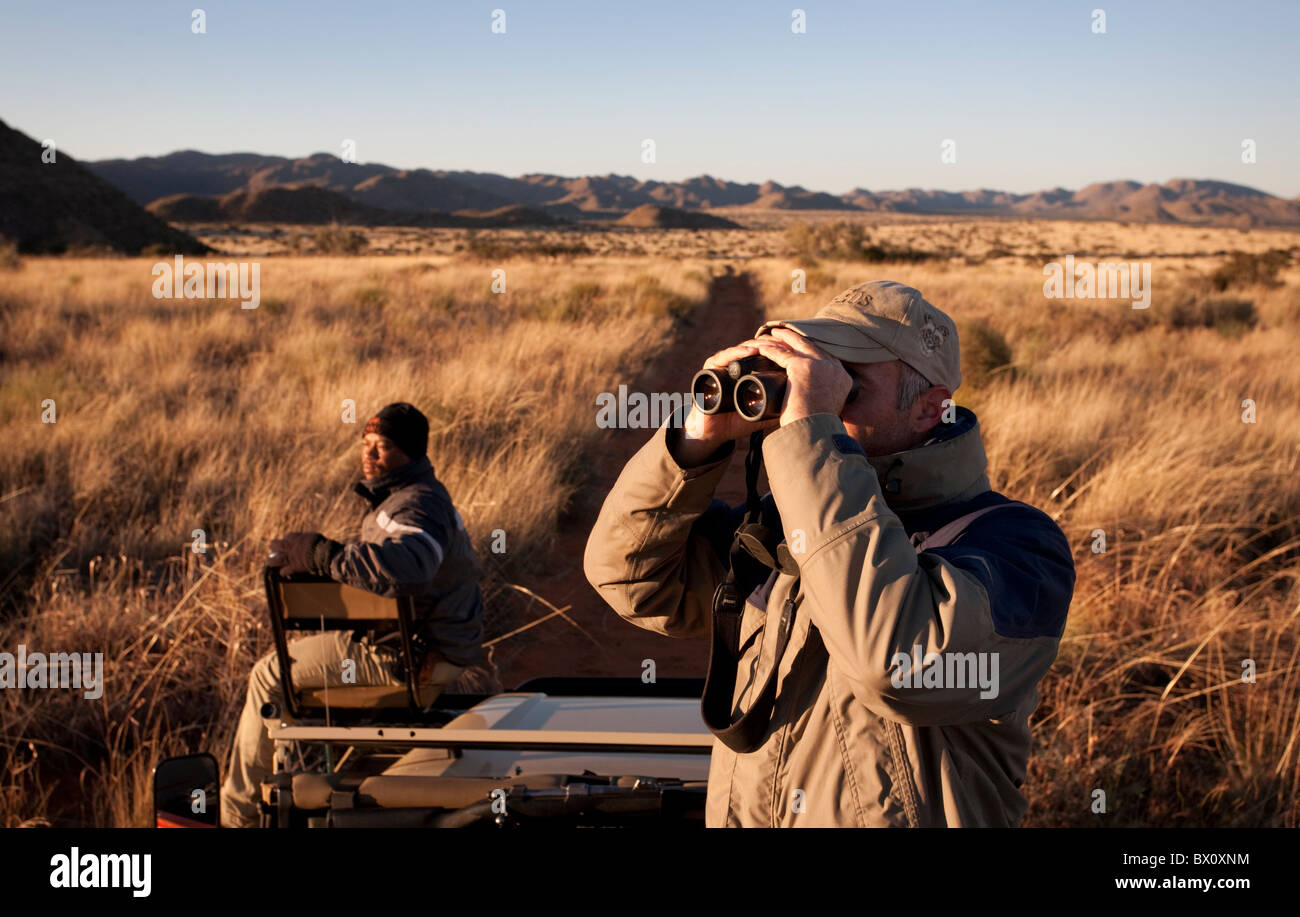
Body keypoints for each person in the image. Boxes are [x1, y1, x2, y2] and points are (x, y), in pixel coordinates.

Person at [584, 281, 1075, 827]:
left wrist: (811, 445)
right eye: (812, 371)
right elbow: (631, 578)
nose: (810, 394)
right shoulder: (786, 523)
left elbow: (898, 666)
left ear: (929, 409)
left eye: (847, 383)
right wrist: (697, 441)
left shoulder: (1015, 547)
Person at [221, 402, 495, 828]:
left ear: (411, 453)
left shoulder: (413, 505)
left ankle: (237, 819)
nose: (368, 454)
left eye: (382, 447)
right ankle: (293, 783)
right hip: (431, 649)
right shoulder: (410, 498)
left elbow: (410, 564)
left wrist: (321, 554)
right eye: (365, 444)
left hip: (410, 657)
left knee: (268, 675)